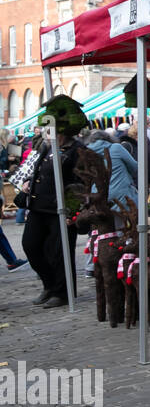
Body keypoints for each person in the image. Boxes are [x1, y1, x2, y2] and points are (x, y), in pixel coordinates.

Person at [22, 131, 78, 308]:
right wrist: (28, 181)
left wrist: (73, 212)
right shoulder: (47, 147)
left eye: (50, 130)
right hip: (38, 207)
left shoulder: (76, 150)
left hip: (59, 210)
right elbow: (39, 170)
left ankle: (62, 292)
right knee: (30, 245)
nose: (47, 134)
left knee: (59, 252)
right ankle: (49, 284)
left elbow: (80, 183)